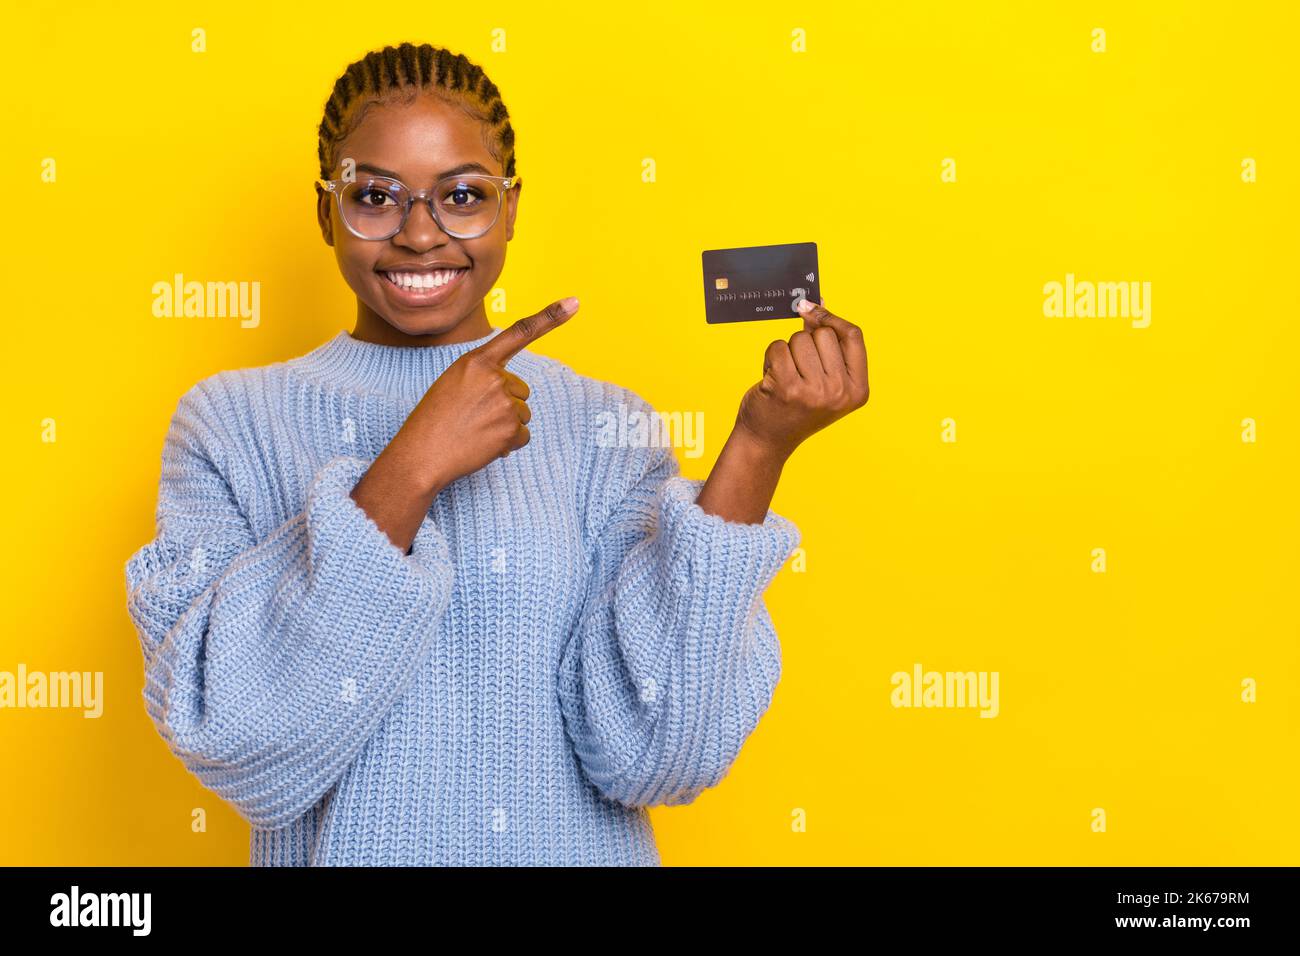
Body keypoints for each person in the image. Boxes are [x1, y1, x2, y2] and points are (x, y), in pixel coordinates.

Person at [123, 42, 869, 866]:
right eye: (376, 196)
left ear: (510, 211)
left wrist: (759, 447)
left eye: (463, 197)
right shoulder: (227, 424)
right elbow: (234, 740)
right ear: (325, 211)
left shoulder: (603, 426)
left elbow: (657, 754)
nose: (418, 234)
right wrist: (408, 467)